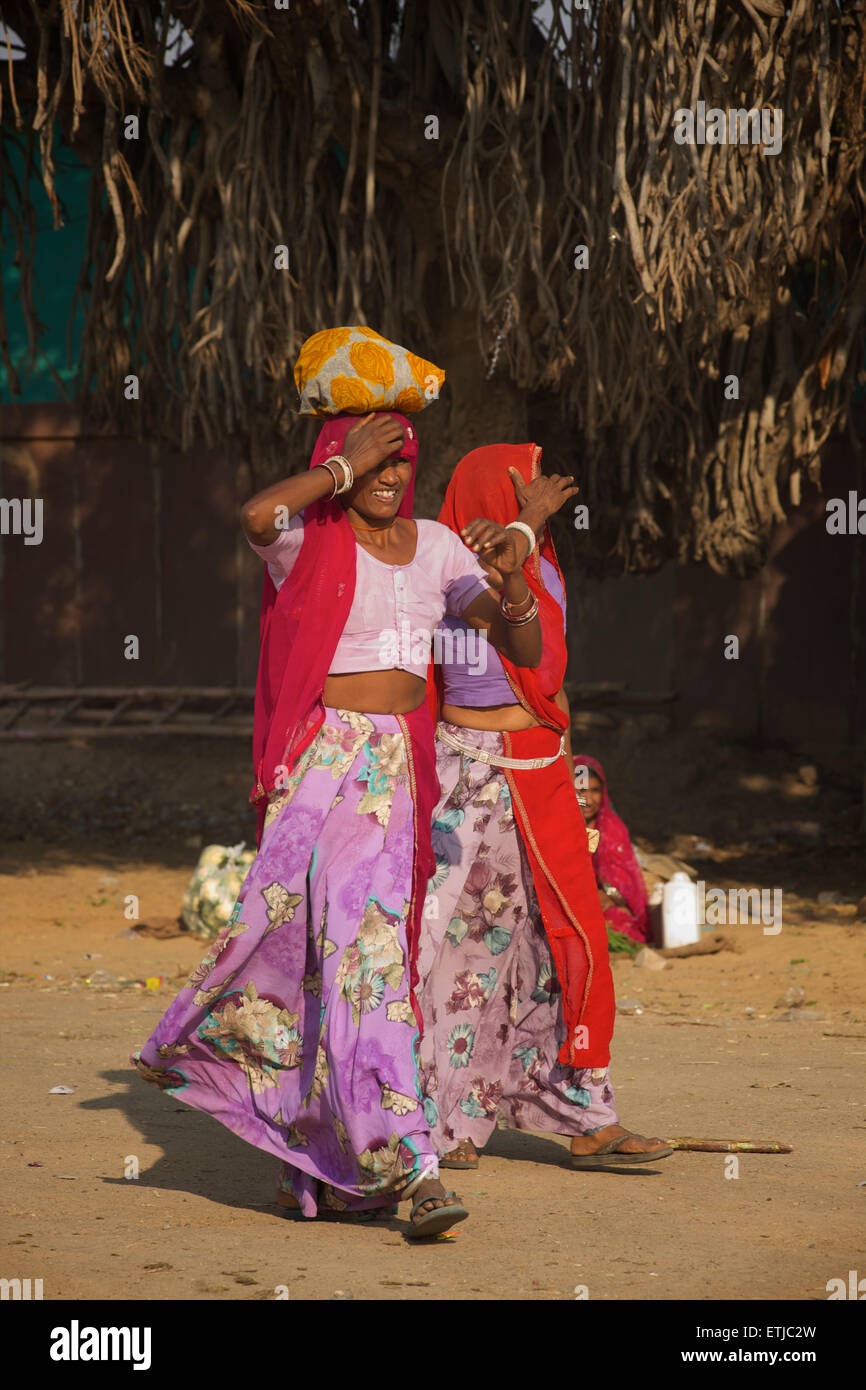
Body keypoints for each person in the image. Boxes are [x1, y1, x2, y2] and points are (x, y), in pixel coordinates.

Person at [132, 405, 547, 1237]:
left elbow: (522, 647)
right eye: (376, 462)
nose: (391, 477)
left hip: (398, 768)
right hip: (325, 765)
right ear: (344, 461)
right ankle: (412, 1172)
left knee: (357, 963)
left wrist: (515, 565)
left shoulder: (434, 546)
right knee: (340, 959)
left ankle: (316, 1162)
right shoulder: (307, 539)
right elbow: (255, 515)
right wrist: (342, 468)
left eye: (401, 463)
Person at [417, 443, 673, 1171]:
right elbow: (531, 660)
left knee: (561, 946)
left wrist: (527, 540)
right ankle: (445, 1123)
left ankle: (588, 1115)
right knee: (459, 950)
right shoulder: (449, 566)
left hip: (543, 773)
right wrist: (521, 535)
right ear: (486, 493)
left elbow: (552, 677)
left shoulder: (545, 568)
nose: (535, 497)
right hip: (472, 778)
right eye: (520, 486)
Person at [575, 754, 651, 946]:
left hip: (604, 902)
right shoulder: (560, 828)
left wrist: (603, 897)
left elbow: (623, 879)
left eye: (595, 791)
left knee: (617, 923)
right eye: (581, 791)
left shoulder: (612, 829)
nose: (589, 800)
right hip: (570, 901)